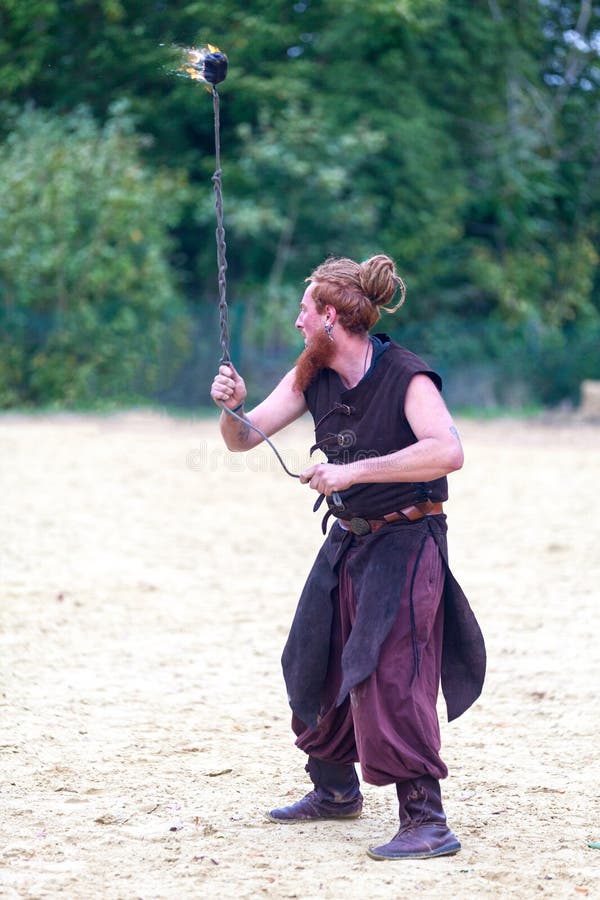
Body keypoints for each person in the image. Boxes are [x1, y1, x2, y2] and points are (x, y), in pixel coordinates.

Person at [210, 254, 486, 860]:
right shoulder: (312, 372)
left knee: (392, 672)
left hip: (410, 538)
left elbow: (448, 452)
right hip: (350, 538)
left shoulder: (407, 375)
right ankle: (334, 792)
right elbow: (244, 438)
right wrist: (231, 407)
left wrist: (351, 470)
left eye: (305, 309)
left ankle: (426, 819)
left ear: (330, 316)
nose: (297, 319)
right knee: (314, 655)